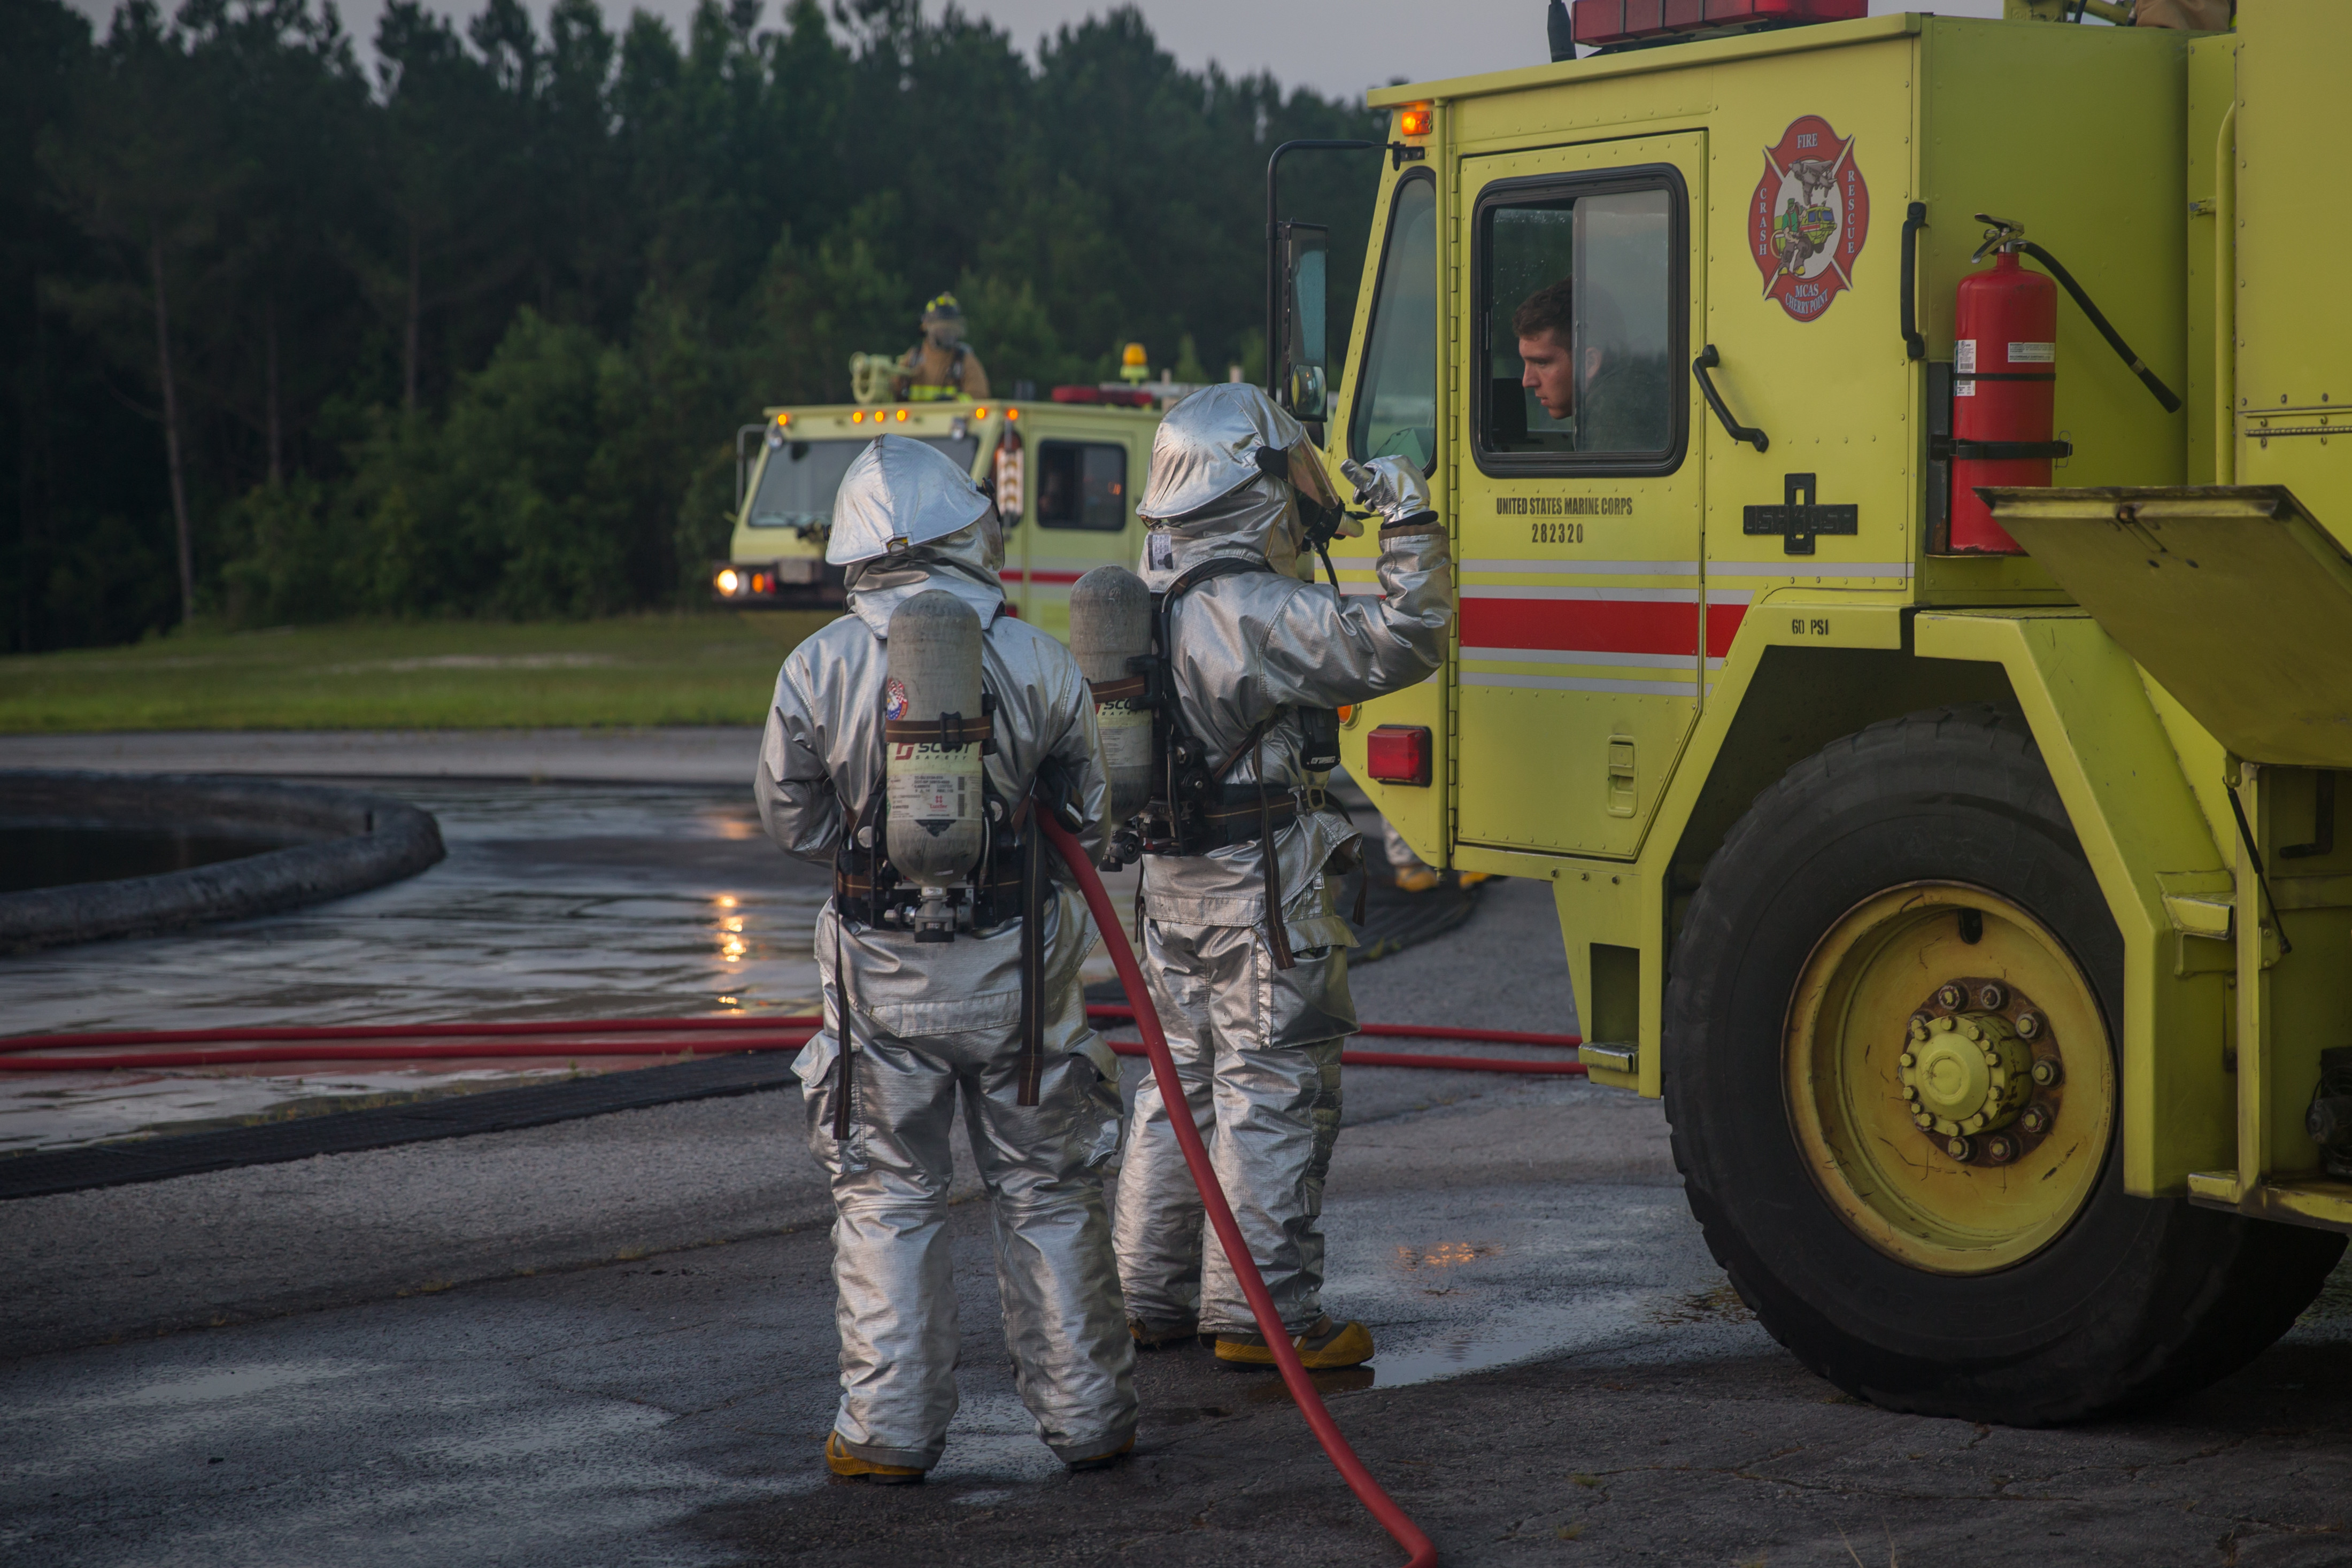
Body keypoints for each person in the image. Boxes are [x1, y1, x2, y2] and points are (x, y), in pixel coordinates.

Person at [755, 434, 1135, 1482]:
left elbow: (790, 818)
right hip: (1020, 982)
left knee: (888, 1198)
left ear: (855, 546)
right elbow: (1093, 815)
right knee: (1049, 1190)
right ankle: (1091, 1417)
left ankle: (886, 1433)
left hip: (878, 980)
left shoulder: (817, 664)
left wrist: (869, 842)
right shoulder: (1038, 657)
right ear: (970, 530)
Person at [1113, 383, 1453, 1370]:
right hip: (1260, 891)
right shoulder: (1254, 611)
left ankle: (1147, 1296)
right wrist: (1408, 517)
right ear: (1252, 489)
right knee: (1272, 1090)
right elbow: (1407, 637)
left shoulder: (1146, 603)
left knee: (1176, 1090)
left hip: (1170, 887)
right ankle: (1263, 1317)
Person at [1514, 278, 1667, 454]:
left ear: (1590, 362)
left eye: (1542, 363)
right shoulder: (1635, 392)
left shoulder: (1614, 413)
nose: (1527, 381)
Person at [894, 293, 991, 402]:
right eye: (942, 327)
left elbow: (979, 397)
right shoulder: (913, 358)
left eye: (952, 327)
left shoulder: (963, 361)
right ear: (926, 326)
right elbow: (891, 391)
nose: (948, 333)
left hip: (952, 414)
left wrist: (953, 400)